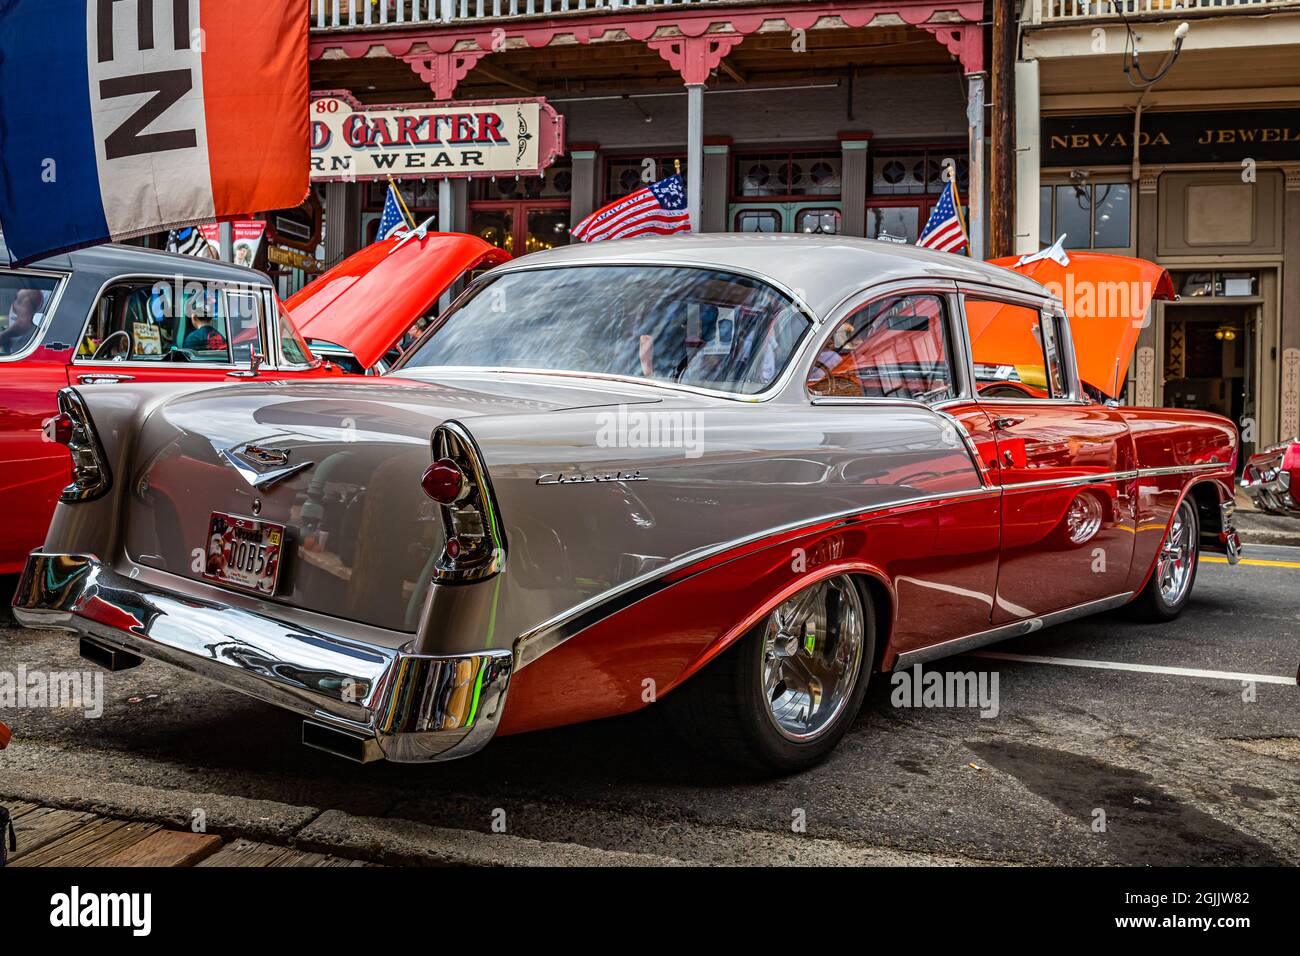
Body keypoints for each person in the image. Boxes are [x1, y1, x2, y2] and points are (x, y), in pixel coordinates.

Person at [0, 288, 41, 355]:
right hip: (24, 351)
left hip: (23, 353)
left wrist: (3, 335)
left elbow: (23, 324)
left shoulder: (26, 293)